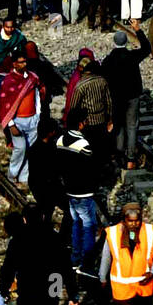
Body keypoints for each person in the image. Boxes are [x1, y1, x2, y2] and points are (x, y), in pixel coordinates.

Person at [0, 205, 80, 305]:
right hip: (53, 285)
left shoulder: (17, 241)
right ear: (43, 216)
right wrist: (73, 294)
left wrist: (4, 289)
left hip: (28, 287)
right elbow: (66, 267)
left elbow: (8, 268)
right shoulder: (55, 237)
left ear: (24, 219)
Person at [103, 21, 151, 170]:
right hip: (133, 95)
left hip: (116, 97)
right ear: (126, 42)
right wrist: (138, 29)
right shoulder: (132, 56)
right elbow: (147, 48)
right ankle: (131, 159)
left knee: (119, 125)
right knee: (132, 126)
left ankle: (119, 157)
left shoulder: (108, 60)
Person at [58, 107, 101, 268]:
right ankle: (87, 261)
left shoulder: (60, 140)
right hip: (84, 191)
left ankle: (75, 258)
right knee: (89, 227)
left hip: (69, 190)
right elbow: (92, 168)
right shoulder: (84, 145)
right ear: (81, 124)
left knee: (76, 224)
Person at [98, 202, 153, 305]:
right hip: (122, 287)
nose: (134, 224)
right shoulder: (113, 233)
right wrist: (102, 277)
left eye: (137, 221)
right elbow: (106, 257)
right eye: (130, 221)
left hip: (143, 284)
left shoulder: (149, 232)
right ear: (124, 220)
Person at [0, 53, 43, 185]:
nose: (24, 64)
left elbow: (37, 97)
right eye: (21, 62)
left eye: (25, 62)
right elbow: (4, 105)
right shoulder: (8, 81)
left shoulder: (32, 78)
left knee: (30, 149)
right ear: (14, 64)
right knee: (20, 148)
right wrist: (11, 124)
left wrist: (38, 115)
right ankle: (12, 175)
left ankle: (24, 177)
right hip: (18, 121)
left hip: (33, 119)